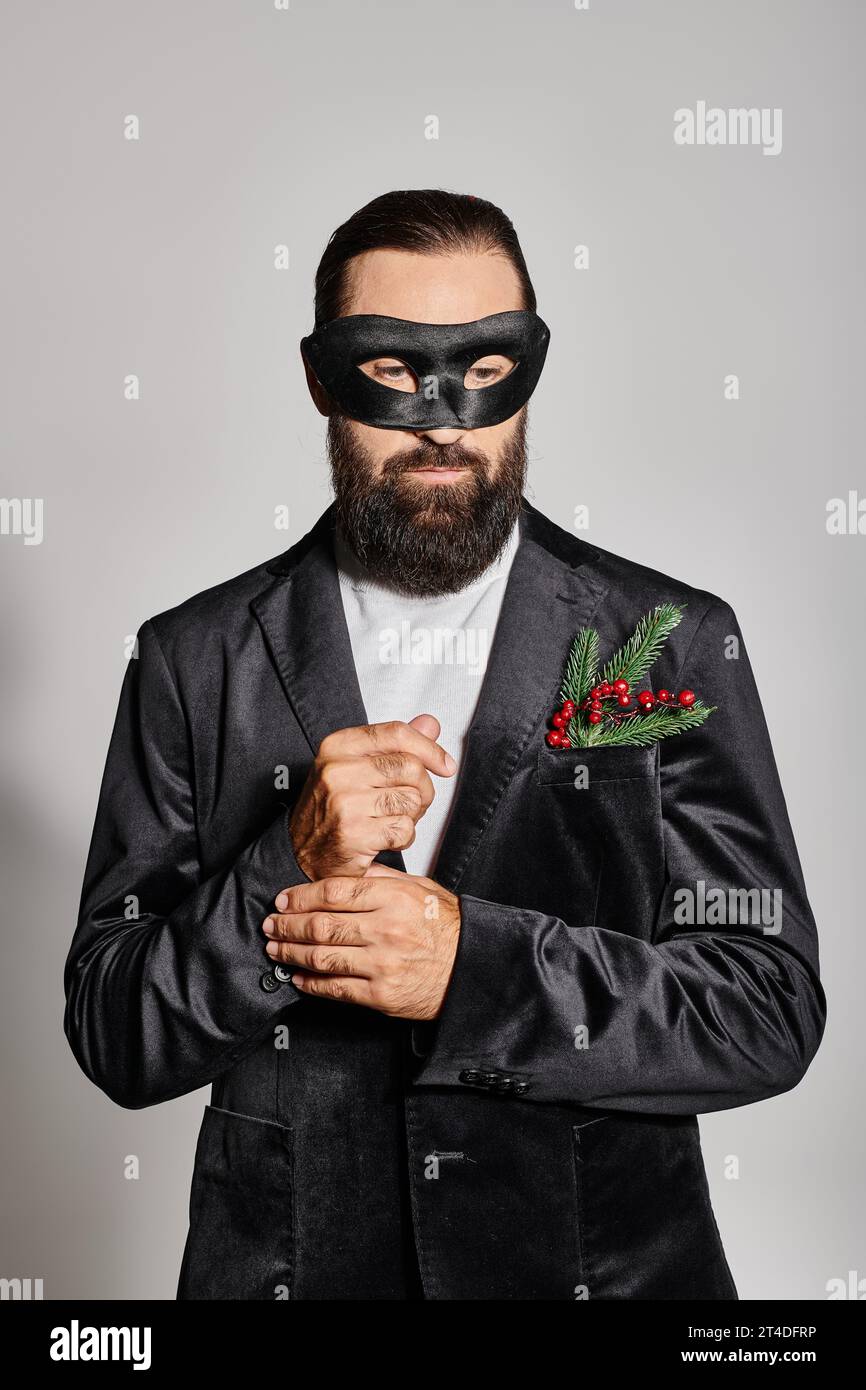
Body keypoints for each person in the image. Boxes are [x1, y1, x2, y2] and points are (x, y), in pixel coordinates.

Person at [64, 188, 826, 1300]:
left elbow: (764, 1008)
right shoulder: (194, 659)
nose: (439, 420)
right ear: (322, 378)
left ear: (530, 374)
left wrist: (472, 967)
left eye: (481, 370)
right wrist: (285, 867)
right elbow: (114, 1031)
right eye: (389, 370)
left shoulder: (664, 643)